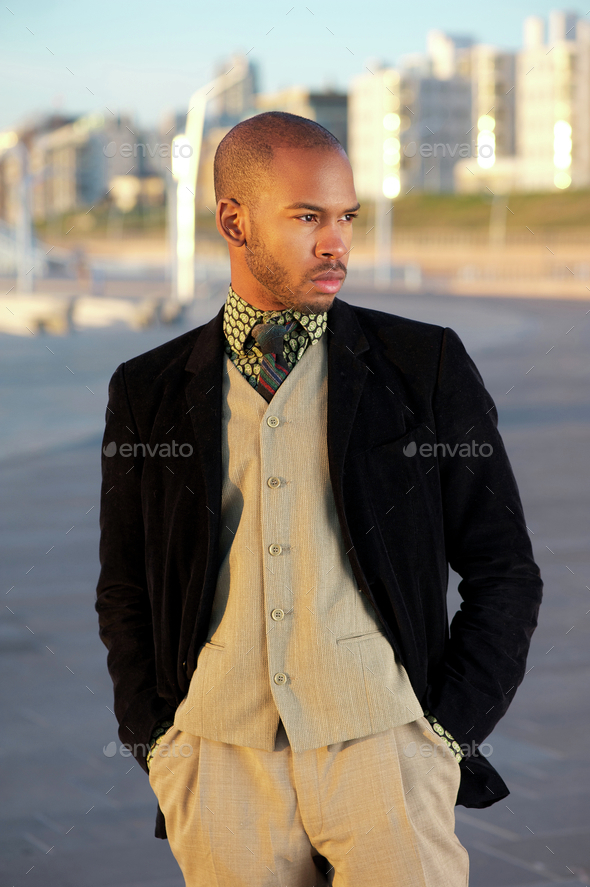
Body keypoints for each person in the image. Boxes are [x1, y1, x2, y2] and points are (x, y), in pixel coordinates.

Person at [96, 111, 543, 887]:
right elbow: (124, 583)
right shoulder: (148, 389)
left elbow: (505, 568)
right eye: (308, 217)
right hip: (220, 761)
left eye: (345, 218)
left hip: (387, 755)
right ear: (234, 220)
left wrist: (443, 736)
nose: (337, 242)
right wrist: (159, 742)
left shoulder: (421, 363)